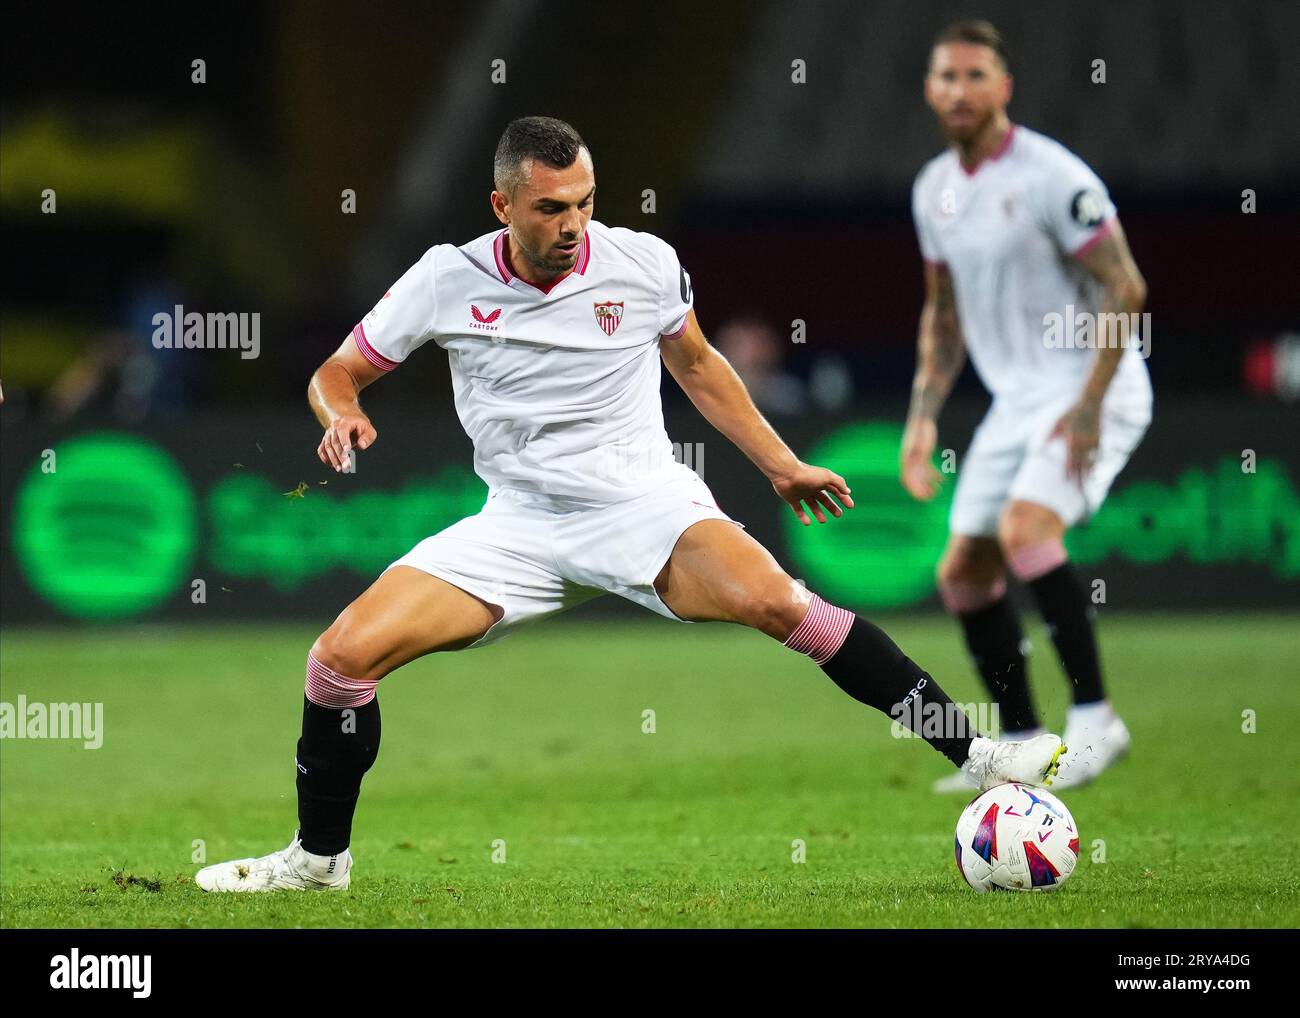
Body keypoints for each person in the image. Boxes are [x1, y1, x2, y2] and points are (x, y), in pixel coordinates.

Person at [197, 116, 1061, 892]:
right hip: (518, 526)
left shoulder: (641, 263)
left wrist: (780, 464)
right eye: (549, 209)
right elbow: (337, 371)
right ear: (502, 204)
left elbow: (697, 364)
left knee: (780, 602)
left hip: (644, 505)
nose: (572, 225)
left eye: (584, 202)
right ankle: (318, 863)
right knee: (339, 661)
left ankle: (979, 753)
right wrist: (342, 410)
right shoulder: (443, 280)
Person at [902, 22, 1151, 792]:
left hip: (1092, 386)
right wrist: (922, 417)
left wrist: (1086, 406)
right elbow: (943, 314)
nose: (960, 90)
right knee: (964, 572)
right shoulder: (933, 190)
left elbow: (1127, 287)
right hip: (1017, 399)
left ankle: (1096, 718)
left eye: (977, 76)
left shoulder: (1051, 176)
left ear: (1003, 88)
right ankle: (1019, 743)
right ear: (930, 88)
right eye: (948, 76)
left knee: (1024, 529)